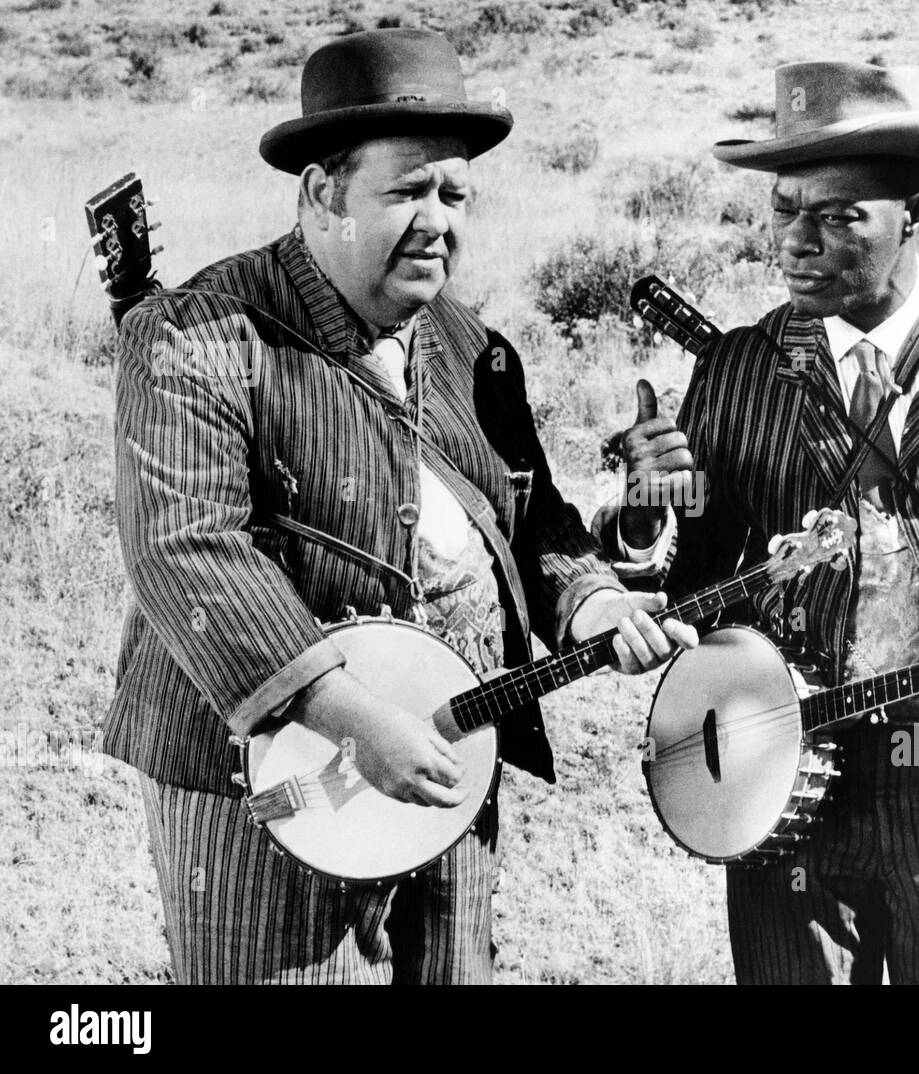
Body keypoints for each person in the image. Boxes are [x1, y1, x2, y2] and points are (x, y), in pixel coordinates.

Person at [104, 28, 695, 985]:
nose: (437, 221)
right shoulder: (198, 334)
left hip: (452, 752)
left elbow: (529, 511)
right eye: (406, 190)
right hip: (268, 780)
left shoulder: (474, 347)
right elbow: (187, 548)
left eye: (454, 193)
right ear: (321, 193)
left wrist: (594, 602)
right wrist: (345, 712)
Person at [604, 61, 919, 984]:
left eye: (839, 217)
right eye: (786, 210)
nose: (798, 242)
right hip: (783, 784)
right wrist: (652, 509)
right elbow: (695, 585)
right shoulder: (737, 372)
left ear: (915, 214)